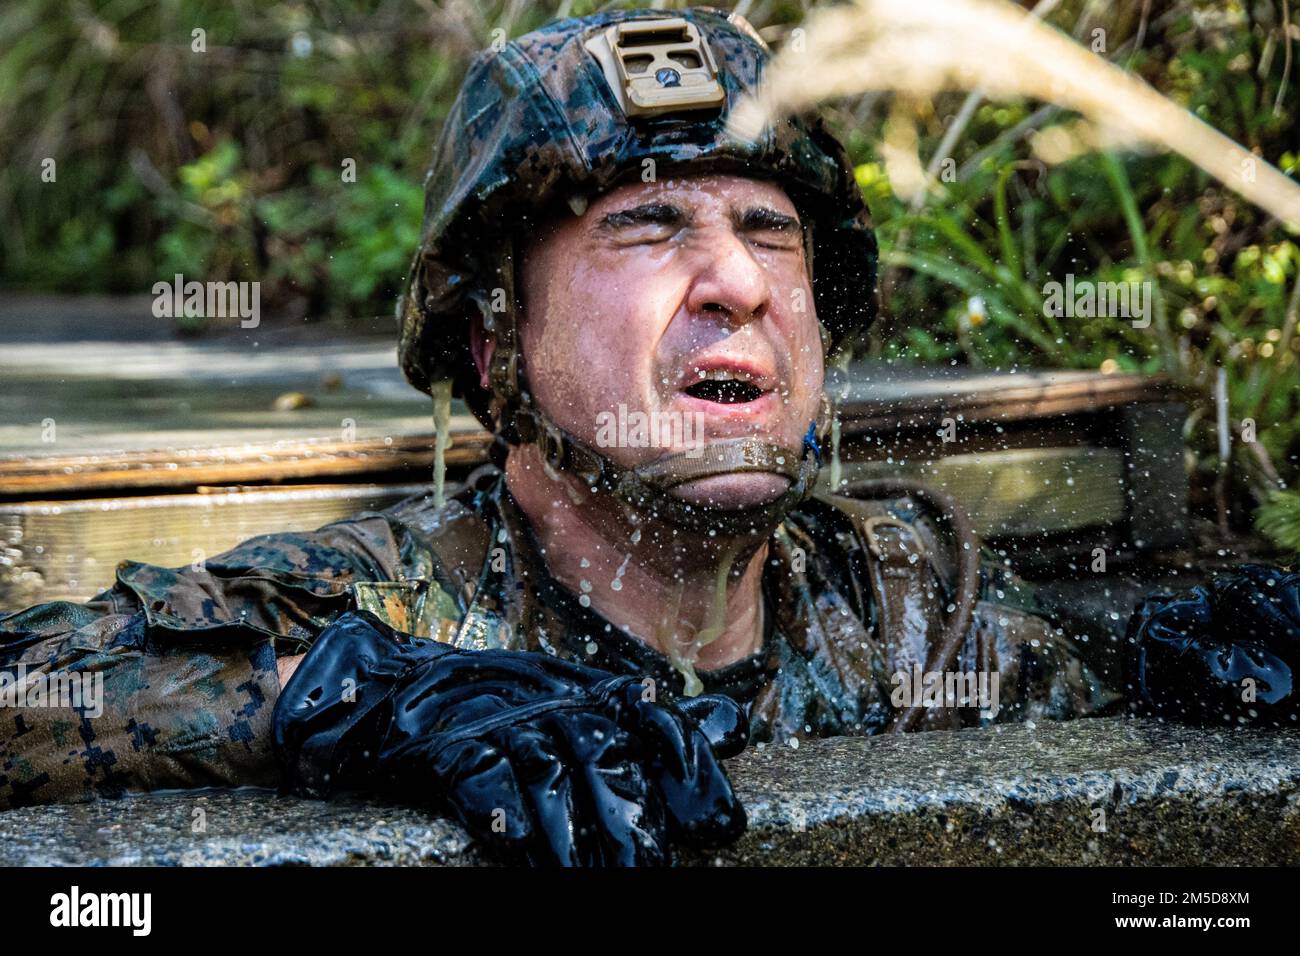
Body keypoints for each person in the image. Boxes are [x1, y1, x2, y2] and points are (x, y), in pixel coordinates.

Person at [2, 8, 1294, 866]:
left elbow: (1075, 678)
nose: (735, 279)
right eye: (649, 225)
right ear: (496, 345)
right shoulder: (390, 618)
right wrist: (348, 700)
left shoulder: (906, 600)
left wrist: (1163, 660)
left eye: (770, 228)